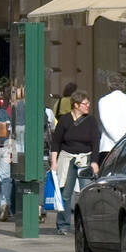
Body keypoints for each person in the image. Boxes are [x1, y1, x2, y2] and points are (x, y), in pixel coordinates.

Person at [50, 90, 101, 234]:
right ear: (76, 105)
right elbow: (56, 142)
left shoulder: (91, 120)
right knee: (65, 193)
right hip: (67, 158)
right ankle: (63, 225)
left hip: (85, 158)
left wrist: (94, 162)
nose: (88, 106)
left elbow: (95, 143)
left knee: (86, 193)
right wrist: (54, 162)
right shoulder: (65, 120)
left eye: (88, 103)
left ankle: (87, 226)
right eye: (85, 103)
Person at [97, 72, 126, 153]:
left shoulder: (104, 101)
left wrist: (118, 140)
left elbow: (106, 122)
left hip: (109, 147)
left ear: (108, 85)